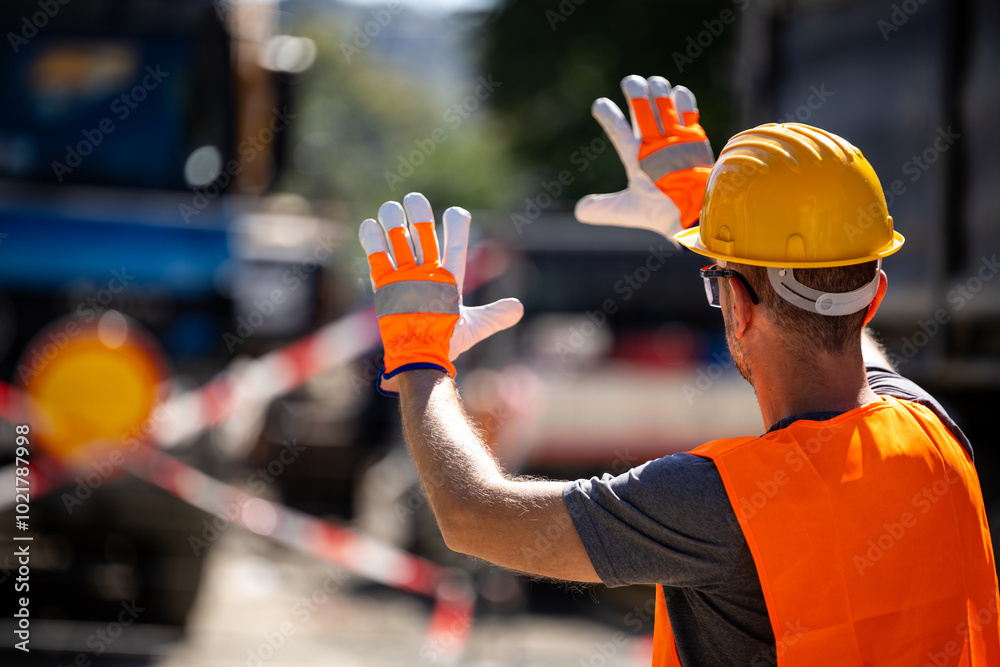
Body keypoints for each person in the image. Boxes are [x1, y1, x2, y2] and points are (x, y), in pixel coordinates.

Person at [357, 75, 1000, 666]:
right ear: (875, 297)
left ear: (737, 306)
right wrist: (708, 222)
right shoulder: (932, 432)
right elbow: (850, 341)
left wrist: (420, 359)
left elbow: (471, 515)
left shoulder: (722, 504)